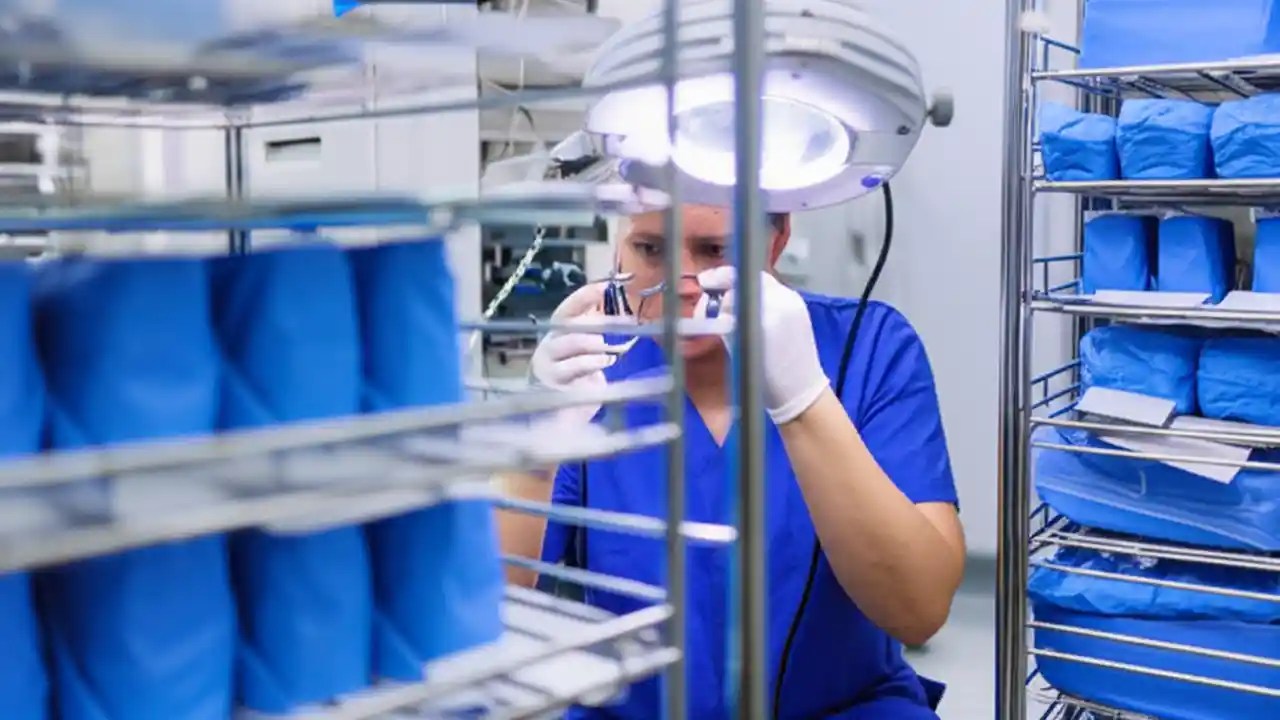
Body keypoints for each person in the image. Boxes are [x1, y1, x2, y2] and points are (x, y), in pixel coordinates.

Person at [498, 204, 966, 719]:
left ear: (777, 239)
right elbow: (489, 610)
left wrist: (805, 401)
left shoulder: (867, 347)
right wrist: (537, 446)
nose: (681, 284)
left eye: (716, 250)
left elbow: (919, 610)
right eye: (650, 249)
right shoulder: (591, 366)